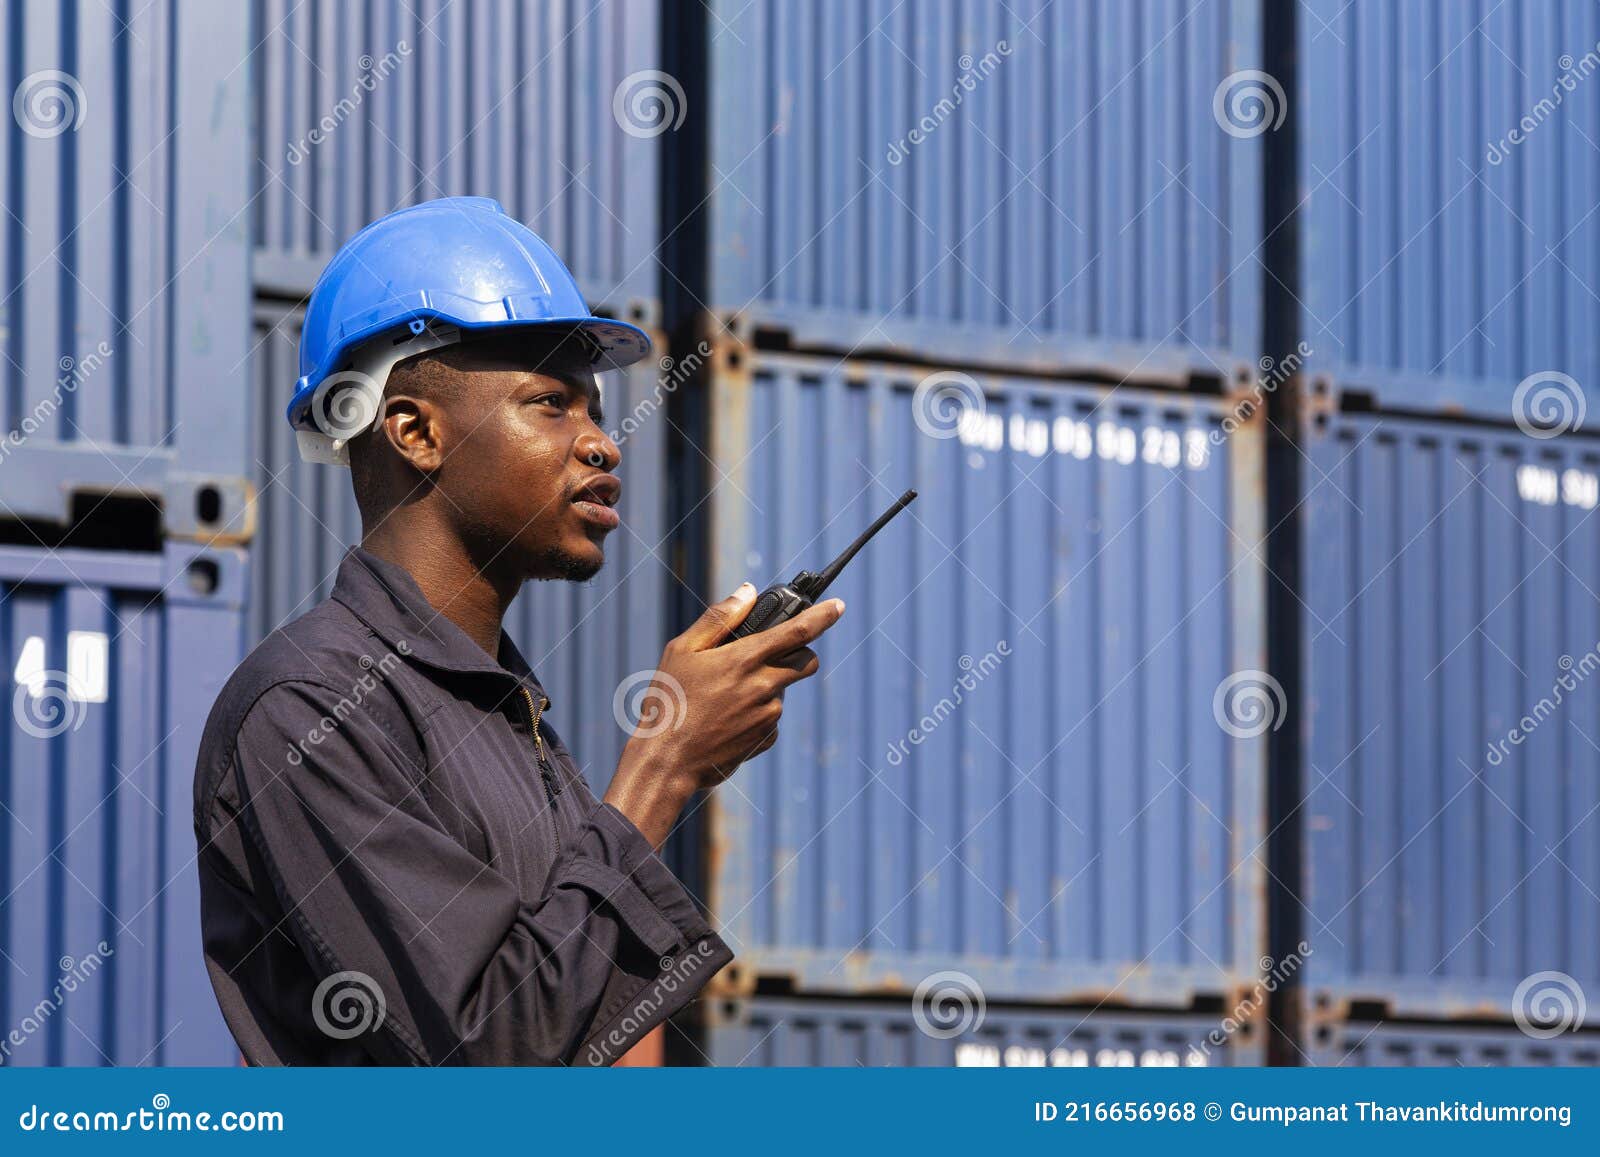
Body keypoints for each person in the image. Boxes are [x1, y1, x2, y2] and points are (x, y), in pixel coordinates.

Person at [192, 197, 844, 1065]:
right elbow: (491, 1051)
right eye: (551, 404)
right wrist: (663, 764)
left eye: (596, 410)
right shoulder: (307, 708)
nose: (602, 444)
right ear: (417, 431)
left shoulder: (505, 711)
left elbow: (601, 1032)